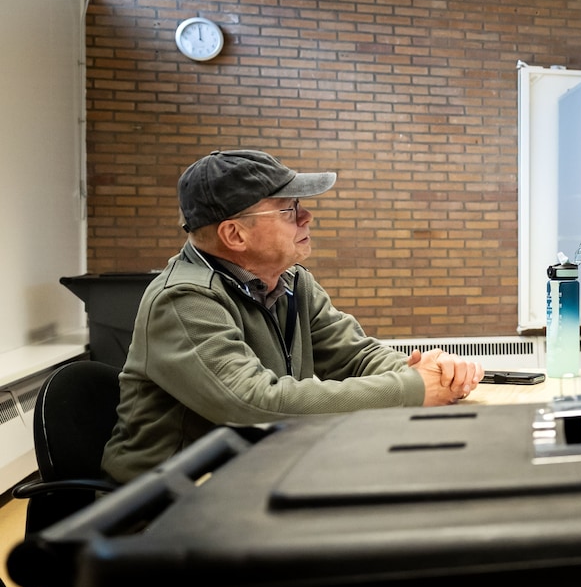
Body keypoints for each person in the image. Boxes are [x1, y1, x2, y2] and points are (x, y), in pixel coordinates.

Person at [102, 150, 484, 483]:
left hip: (256, 473)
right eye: (289, 209)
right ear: (235, 235)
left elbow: (355, 355)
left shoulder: (290, 281)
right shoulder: (183, 301)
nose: (307, 216)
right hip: (167, 505)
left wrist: (423, 370)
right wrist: (413, 388)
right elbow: (254, 404)